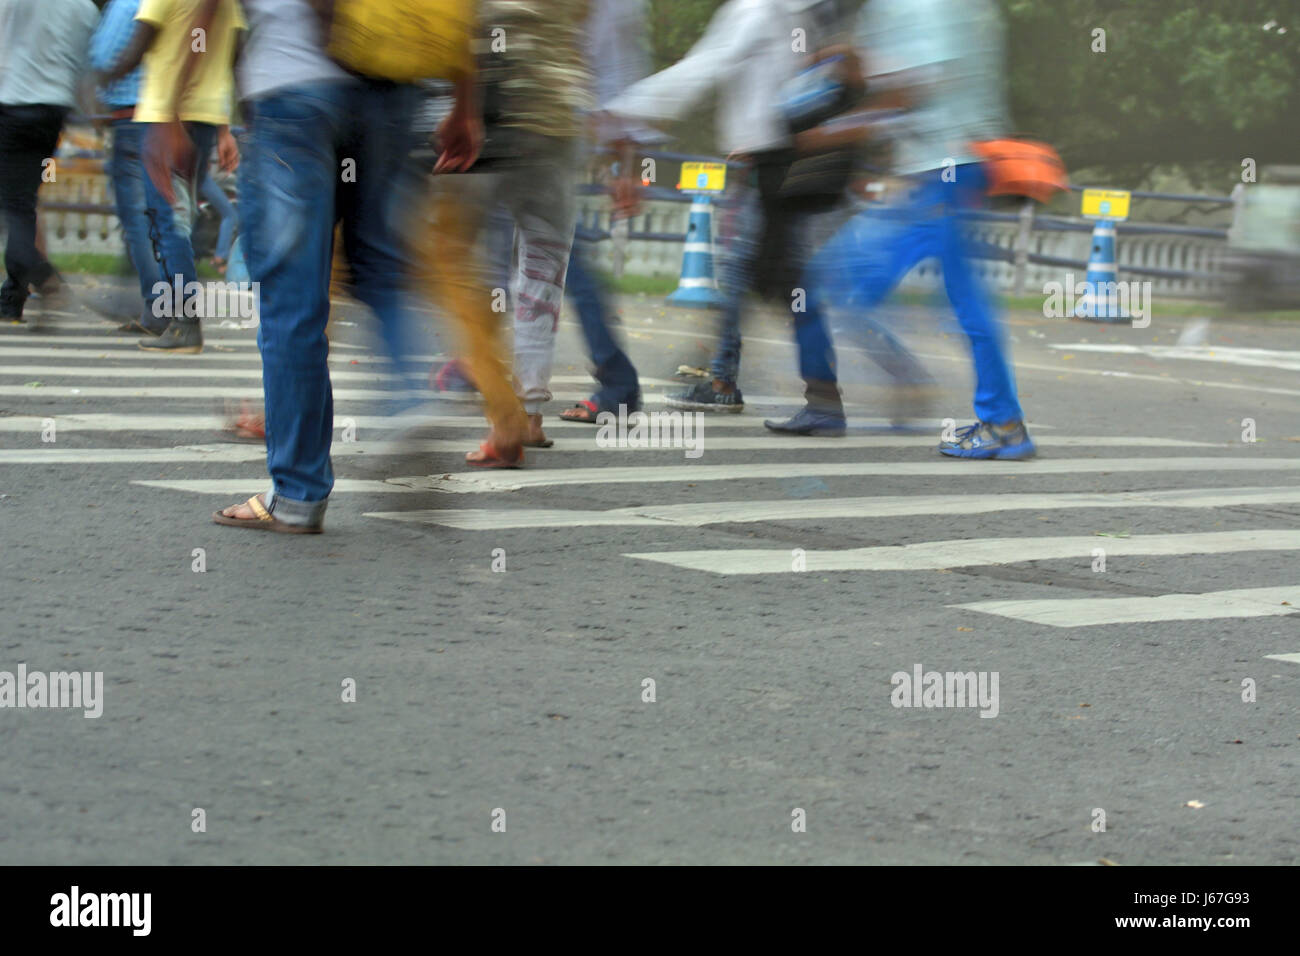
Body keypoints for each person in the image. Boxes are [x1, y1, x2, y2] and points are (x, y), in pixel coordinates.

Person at [211, 0, 477, 532]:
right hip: (391, 88)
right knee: (381, 270)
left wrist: (176, 108)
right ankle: (407, 399)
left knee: (294, 299)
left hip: (294, 91)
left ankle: (298, 494)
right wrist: (466, 102)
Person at [604, 0, 850, 436]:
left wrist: (628, 107)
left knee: (777, 284)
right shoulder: (795, 13)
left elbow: (704, 68)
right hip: (778, 163)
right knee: (769, 280)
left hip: (770, 167)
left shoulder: (756, 10)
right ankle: (737, 379)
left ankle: (738, 381)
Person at [814, 0, 1034, 458]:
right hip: (940, 171)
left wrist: (835, 129)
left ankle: (1001, 422)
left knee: (839, 277)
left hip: (944, 171)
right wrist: (852, 64)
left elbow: (919, 85)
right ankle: (956, 400)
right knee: (847, 282)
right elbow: (909, 75)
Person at [416, 0, 592, 466]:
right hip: (556, 121)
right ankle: (529, 414)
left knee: (454, 261)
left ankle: (503, 413)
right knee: (542, 276)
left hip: (491, 119)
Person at [96, 0, 244, 353]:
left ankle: (184, 322)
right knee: (179, 216)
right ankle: (172, 315)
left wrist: (101, 77)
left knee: (168, 219)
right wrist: (224, 127)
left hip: (167, 117)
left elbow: (137, 45)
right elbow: (234, 55)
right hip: (205, 116)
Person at [0, 0, 98, 324]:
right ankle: (12, 298)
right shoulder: (84, 9)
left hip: (12, 108)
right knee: (24, 201)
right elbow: (86, 71)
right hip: (53, 115)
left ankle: (42, 275)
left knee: (14, 204)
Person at [88, 0, 170, 334]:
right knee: (163, 215)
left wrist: (95, 89)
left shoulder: (126, 6)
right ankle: (167, 300)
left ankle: (157, 304)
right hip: (168, 120)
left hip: (130, 119)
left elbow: (103, 57)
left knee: (136, 219)